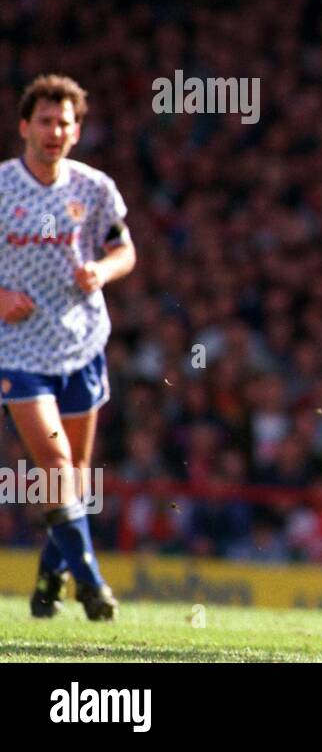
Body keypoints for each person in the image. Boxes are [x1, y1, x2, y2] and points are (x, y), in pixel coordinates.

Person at [1, 74, 135, 620]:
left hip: (81, 343)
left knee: (75, 472)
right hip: (18, 351)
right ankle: (93, 584)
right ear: (24, 127)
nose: (54, 131)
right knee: (54, 463)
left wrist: (101, 272)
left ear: (76, 131)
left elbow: (124, 250)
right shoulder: (3, 189)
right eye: (45, 121)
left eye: (65, 123)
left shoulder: (93, 188)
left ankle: (48, 579)